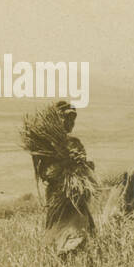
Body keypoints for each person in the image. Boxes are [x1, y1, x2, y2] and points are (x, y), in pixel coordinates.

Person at [20, 100, 98, 256]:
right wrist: (66, 160)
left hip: (77, 195)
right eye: (67, 119)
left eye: (73, 120)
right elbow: (47, 173)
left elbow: (85, 167)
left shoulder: (75, 142)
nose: (71, 123)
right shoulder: (46, 147)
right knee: (60, 229)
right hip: (59, 196)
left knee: (81, 228)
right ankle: (61, 259)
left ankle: (79, 259)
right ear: (57, 120)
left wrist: (84, 163)